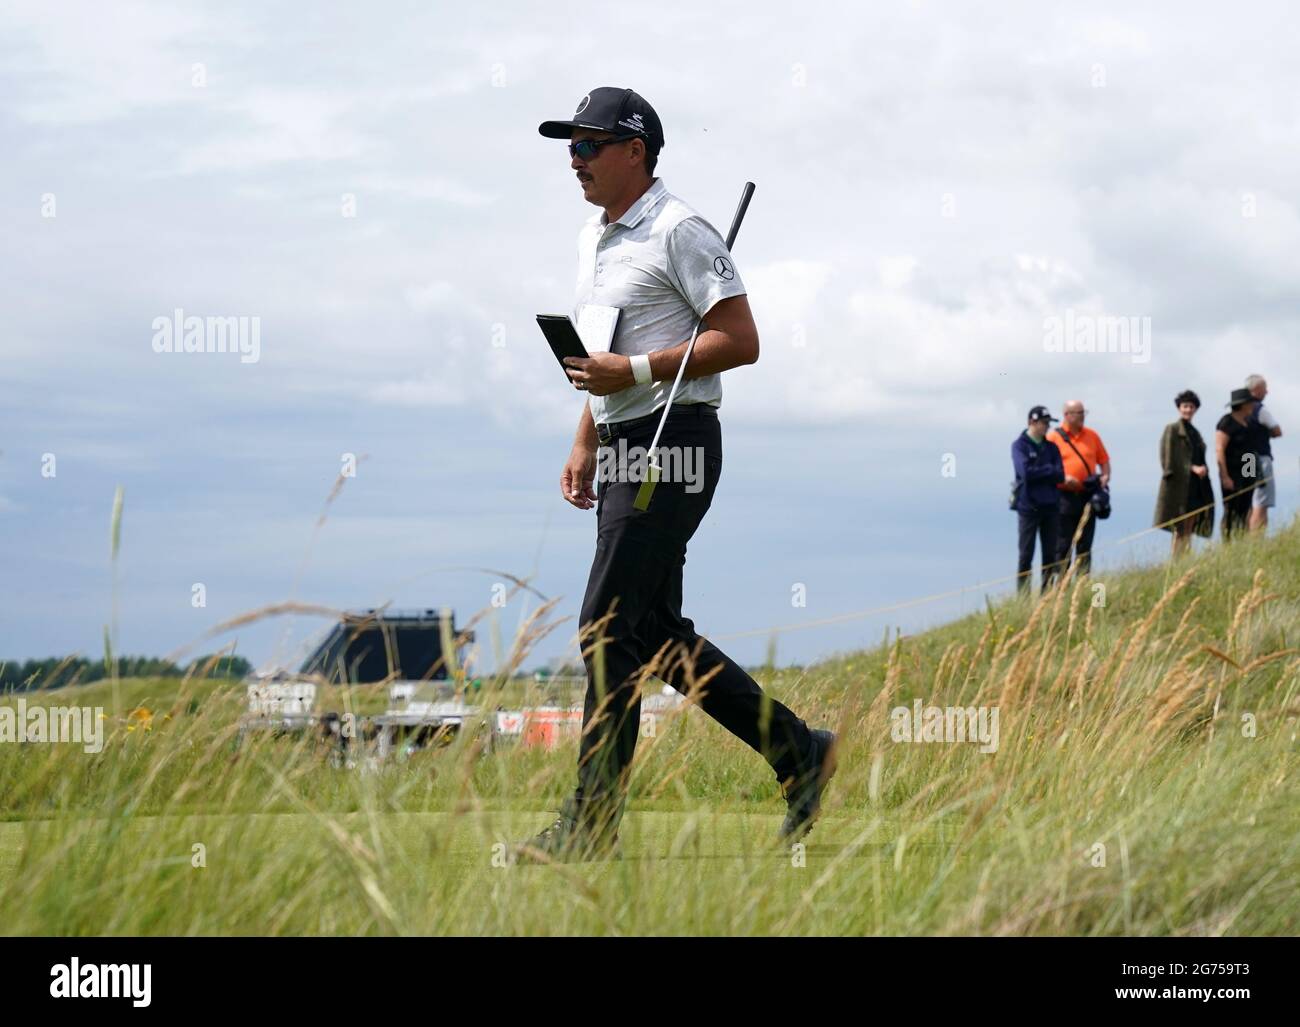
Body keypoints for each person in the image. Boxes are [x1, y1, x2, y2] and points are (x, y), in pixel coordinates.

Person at [517, 87, 836, 862]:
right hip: (625, 441)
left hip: (674, 445)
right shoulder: (598, 241)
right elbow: (607, 355)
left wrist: (636, 369)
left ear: (636, 150)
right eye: (571, 145)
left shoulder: (680, 230)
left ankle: (590, 828)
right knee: (653, 637)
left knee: (603, 629)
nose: (575, 159)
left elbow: (741, 338)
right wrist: (586, 436)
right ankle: (798, 751)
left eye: (589, 145)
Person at [1049, 400, 1111, 576]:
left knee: (1085, 545)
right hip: (1063, 497)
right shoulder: (1054, 438)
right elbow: (1047, 468)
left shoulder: (1092, 435)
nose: (1083, 416)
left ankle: (1083, 586)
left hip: (1087, 496)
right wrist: (1063, 478)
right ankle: (1061, 586)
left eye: (1084, 412)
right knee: (1063, 545)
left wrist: (1105, 476)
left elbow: (1104, 460)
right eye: (1079, 413)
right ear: (1067, 415)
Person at [1154, 390, 1214, 556]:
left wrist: (1203, 469)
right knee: (1179, 528)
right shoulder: (1172, 429)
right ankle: (1176, 561)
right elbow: (1167, 459)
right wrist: (1191, 468)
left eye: (1191, 406)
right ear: (1179, 408)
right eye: (1185, 406)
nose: (1188, 410)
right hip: (1179, 487)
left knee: (1190, 526)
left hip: (1196, 486)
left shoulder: (1196, 433)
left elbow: (1201, 457)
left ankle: (1185, 560)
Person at [1011, 406, 1065, 592]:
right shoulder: (1019, 446)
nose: (1046, 427)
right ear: (1032, 422)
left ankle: (1047, 594)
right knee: (1026, 554)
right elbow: (1025, 473)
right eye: (1043, 423)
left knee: (1050, 554)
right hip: (1028, 508)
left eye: (1048, 423)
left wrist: (1042, 472)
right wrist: (1048, 471)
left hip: (1051, 507)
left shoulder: (1052, 447)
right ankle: (1023, 596)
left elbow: (1060, 474)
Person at [1216, 388, 1261, 540]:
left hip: (1248, 472)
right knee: (1231, 510)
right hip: (1232, 473)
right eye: (1250, 403)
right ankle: (1228, 543)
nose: (1253, 406)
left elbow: (1250, 451)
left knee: (1245, 508)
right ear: (1243, 405)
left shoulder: (1249, 423)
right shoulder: (1226, 422)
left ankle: (1243, 541)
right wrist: (1225, 476)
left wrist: (1254, 475)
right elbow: (1219, 449)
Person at [1245, 374, 1283, 533]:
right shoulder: (1260, 409)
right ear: (1256, 389)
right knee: (1261, 500)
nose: (1266, 392)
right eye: (1264, 388)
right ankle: (1256, 539)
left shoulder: (1240, 409)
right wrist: (1267, 433)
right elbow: (1277, 430)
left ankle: (1246, 536)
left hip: (1246, 459)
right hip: (1260, 458)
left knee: (1248, 498)